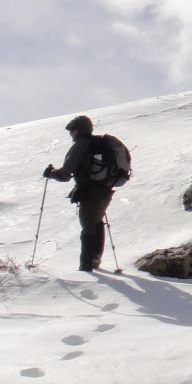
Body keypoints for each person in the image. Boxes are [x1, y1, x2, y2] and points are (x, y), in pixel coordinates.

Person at [42, 115, 122, 272]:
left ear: (78, 130)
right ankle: (94, 259)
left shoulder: (81, 145)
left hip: (90, 191)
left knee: (88, 227)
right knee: (96, 222)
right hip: (105, 189)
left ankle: (85, 268)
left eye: (72, 130)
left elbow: (66, 174)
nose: (71, 134)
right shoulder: (99, 143)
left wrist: (51, 173)